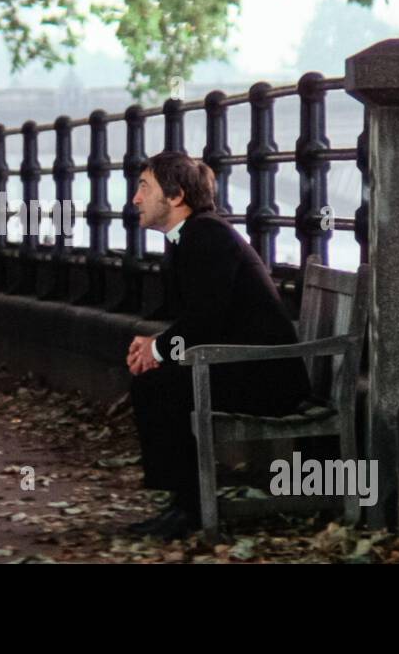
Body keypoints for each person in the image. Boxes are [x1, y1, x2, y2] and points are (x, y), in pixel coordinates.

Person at [124, 151, 310, 540]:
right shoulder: (189, 235)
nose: (135, 199)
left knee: (157, 384)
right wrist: (154, 345)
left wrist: (157, 350)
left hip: (267, 377)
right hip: (241, 365)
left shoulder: (206, 235)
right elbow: (201, 318)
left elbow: (207, 317)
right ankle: (184, 504)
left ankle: (188, 508)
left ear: (175, 197)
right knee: (156, 380)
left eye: (144, 187)